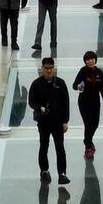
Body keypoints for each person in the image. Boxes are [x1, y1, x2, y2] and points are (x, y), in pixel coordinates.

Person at [28, 57, 70, 185]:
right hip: (44, 121)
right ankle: (44, 171)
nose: (49, 70)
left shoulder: (60, 83)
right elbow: (31, 101)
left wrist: (65, 121)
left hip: (57, 122)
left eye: (51, 68)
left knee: (60, 148)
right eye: (46, 68)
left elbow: (66, 103)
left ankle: (62, 173)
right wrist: (39, 108)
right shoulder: (36, 84)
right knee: (43, 146)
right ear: (42, 69)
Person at [73, 51, 103, 160]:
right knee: (88, 124)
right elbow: (74, 85)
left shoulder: (99, 72)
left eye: (92, 59)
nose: (90, 61)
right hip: (84, 102)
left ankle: (87, 140)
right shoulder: (83, 71)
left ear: (95, 60)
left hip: (95, 102)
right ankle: (88, 147)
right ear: (85, 61)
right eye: (87, 59)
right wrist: (79, 86)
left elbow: (102, 88)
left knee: (95, 124)